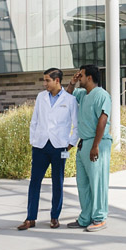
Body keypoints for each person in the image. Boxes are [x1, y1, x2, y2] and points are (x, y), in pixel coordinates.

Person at [18, 68, 79, 230]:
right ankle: (30, 218)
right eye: (44, 80)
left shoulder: (70, 100)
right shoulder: (41, 97)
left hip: (60, 147)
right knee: (34, 182)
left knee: (57, 182)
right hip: (40, 146)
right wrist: (33, 140)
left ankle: (54, 217)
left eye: (47, 80)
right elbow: (35, 120)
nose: (45, 83)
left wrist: (71, 144)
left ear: (57, 81)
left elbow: (76, 125)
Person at [65, 65, 112, 232]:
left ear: (90, 78)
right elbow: (67, 94)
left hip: (96, 144)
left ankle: (99, 218)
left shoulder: (102, 95)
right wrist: (72, 81)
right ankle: (85, 218)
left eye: (82, 75)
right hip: (83, 143)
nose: (80, 78)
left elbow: (103, 120)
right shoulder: (83, 94)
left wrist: (95, 146)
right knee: (83, 183)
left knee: (97, 183)